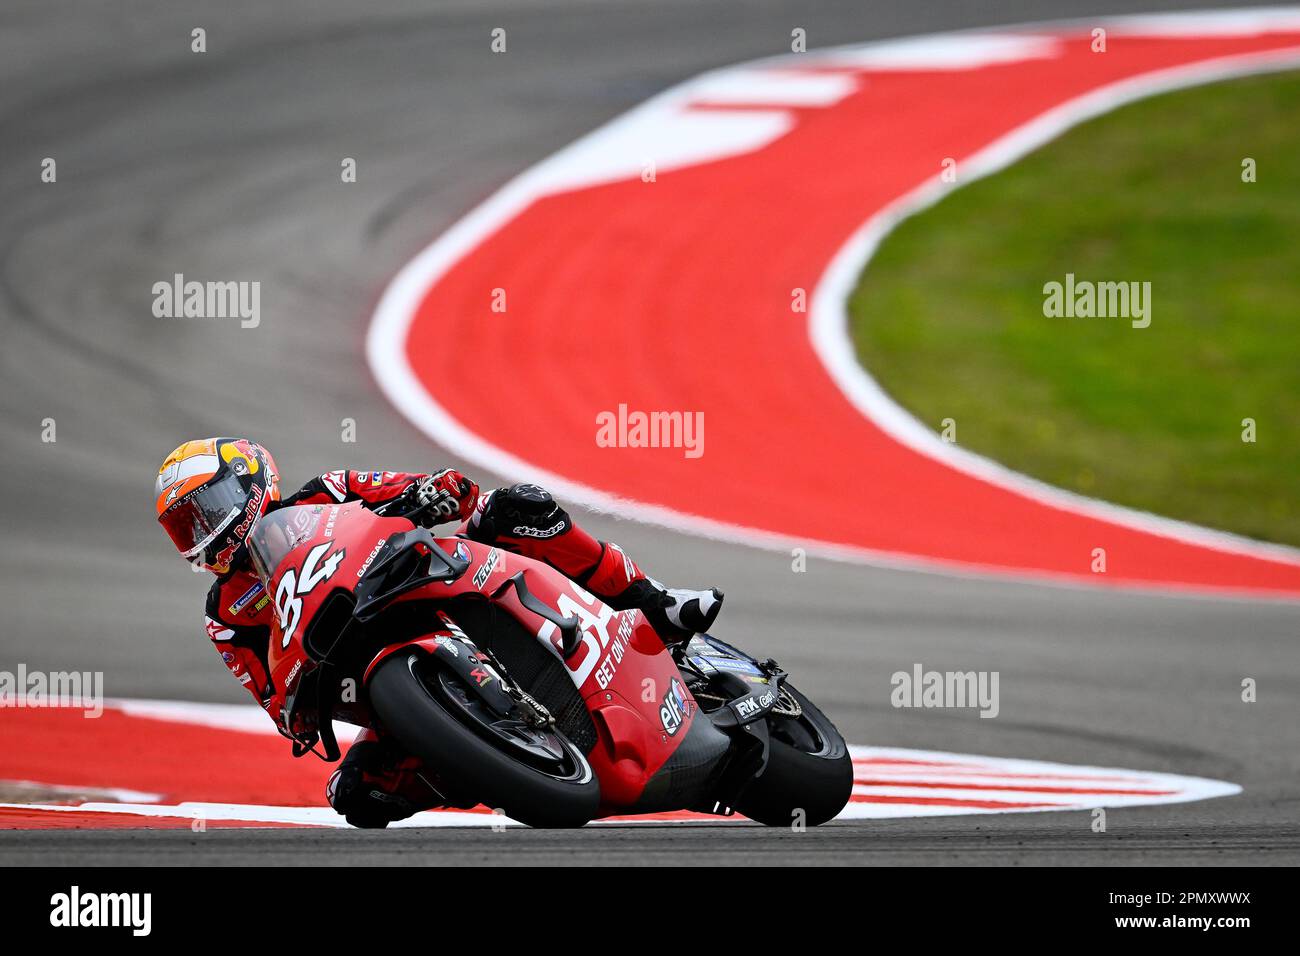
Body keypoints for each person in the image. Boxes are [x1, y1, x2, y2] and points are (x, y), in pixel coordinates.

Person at [155, 437, 723, 826]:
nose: (204, 532)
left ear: (250, 480)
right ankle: (499, 761)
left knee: (515, 507)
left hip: (429, 577)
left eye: (208, 509)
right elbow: (275, 704)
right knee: (357, 796)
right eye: (187, 527)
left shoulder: (325, 491)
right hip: (360, 666)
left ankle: (655, 602)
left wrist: (430, 493)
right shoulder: (224, 615)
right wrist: (296, 708)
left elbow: (445, 488)